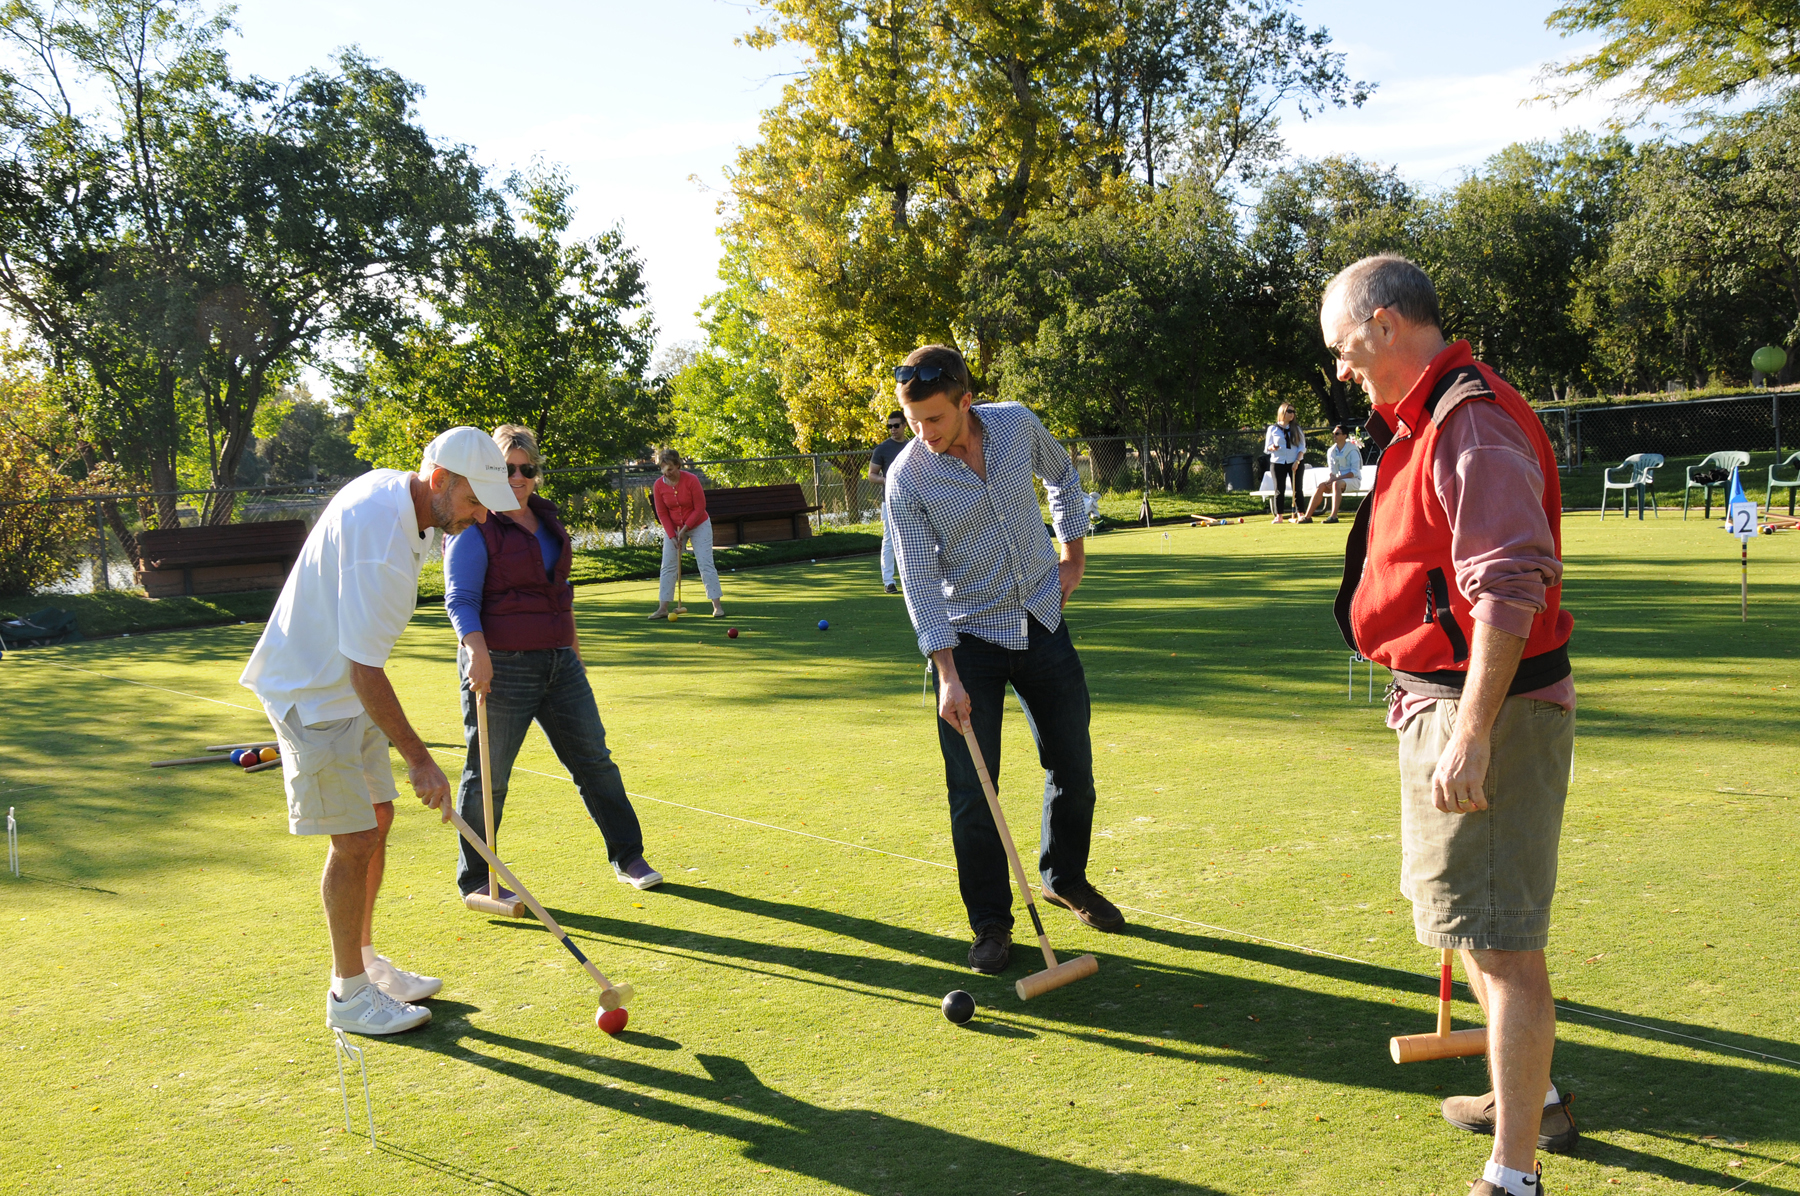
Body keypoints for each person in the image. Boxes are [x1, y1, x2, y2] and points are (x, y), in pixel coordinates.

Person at [1323, 254, 1578, 1196]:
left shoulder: (1469, 423)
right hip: (1447, 702)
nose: (1343, 369)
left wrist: (1471, 729)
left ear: (1386, 324)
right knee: (1470, 923)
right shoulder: (1429, 415)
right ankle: (1534, 1099)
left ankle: (1513, 1174)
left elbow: (1511, 582)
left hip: (1493, 711)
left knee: (1506, 947)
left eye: (1345, 348)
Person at [239, 427, 516, 1036]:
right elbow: (366, 668)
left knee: (377, 819)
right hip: (313, 693)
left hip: (341, 682)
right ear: (440, 479)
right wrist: (420, 759)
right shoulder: (380, 541)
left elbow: (363, 662)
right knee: (355, 836)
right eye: (475, 501)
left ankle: (364, 962)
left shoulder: (401, 500)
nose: (480, 517)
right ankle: (348, 995)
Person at [886, 344, 1122, 976]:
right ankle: (990, 922)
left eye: (934, 419)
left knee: (1073, 762)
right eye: (913, 421)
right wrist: (947, 677)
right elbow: (916, 578)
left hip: (1043, 620)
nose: (924, 433)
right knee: (973, 791)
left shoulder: (1016, 422)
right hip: (967, 641)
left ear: (966, 401)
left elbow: (1063, 477)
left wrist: (1073, 551)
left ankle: (1064, 878)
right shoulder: (907, 478)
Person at [443, 425, 662, 898]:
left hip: (559, 665)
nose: (518, 477)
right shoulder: (475, 524)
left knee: (595, 762)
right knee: (488, 778)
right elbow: (460, 599)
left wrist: (574, 655)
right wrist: (476, 653)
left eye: (527, 468)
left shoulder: (549, 522)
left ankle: (628, 856)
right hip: (500, 668)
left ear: (537, 474)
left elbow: (562, 597)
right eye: (507, 468)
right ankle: (478, 879)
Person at [648, 448, 724, 619]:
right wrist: (672, 535)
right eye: (663, 470)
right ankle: (663, 608)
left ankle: (717, 606)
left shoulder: (691, 480)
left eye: (670, 469)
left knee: (705, 564)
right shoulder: (659, 485)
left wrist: (684, 529)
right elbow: (662, 513)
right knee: (668, 565)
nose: (667, 473)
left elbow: (700, 508)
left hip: (699, 524)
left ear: (678, 466)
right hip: (674, 529)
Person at [867, 410, 910, 593]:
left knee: (913, 541)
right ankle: (888, 582)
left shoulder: (912, 445)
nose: (892, 429)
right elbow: (871, 475)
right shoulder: (882, 449)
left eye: (896, 425)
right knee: (890, 541)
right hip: (890, 501)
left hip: (911, 501)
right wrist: (888, 480)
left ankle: (912, 580)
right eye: (889, 426)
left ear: (904, 425)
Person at [1297, 425, 1363, 523]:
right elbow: (1333, 471)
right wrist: (1332, 479)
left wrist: (1336, 479)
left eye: (1337, 433)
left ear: (1345, 436)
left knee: (1336, 484)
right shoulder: (1331, 451)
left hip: (1353, 481)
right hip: (1338, 481)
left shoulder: (1352, 450)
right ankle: (1307, 517)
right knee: (1322, 486)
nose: (1334, 436)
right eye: (1333, 434)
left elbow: (1354, 473)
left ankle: (1333, 516)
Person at [1263, 403, 1307, 523]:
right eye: (1289, 411)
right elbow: (1266, 448)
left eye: (1293, 412)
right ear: (1282, 412)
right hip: (1278, 462)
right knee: (1279, 489)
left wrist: (1297, 461)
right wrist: (1272, 447)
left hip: (1295, 461)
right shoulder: (1272, 429)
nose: (1292, 414)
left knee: (1297, 488)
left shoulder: (1297, 429)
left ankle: (1301, 514)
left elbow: (1302, 447)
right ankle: (1279, 516)